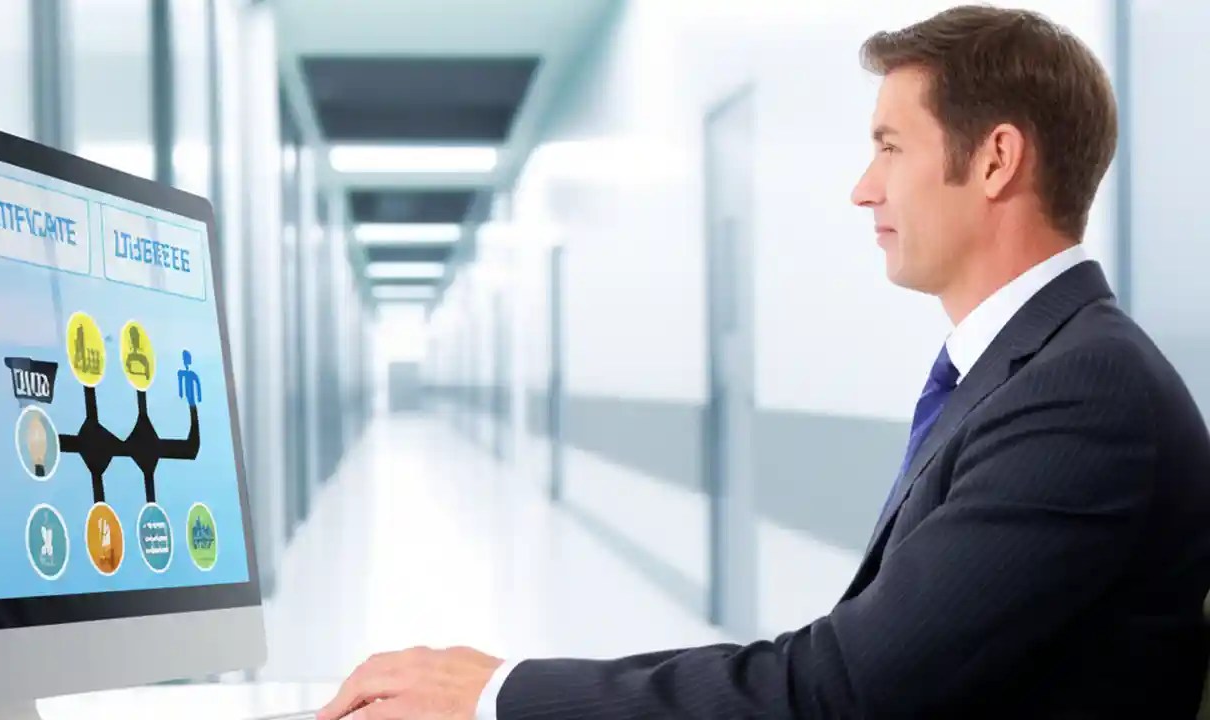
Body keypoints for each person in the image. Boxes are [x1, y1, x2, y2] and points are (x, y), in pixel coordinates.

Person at [318, 6, 1210, 719]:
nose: (864, 186)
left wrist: (497, 693)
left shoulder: (1084, 393)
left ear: (995, 159)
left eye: (890, 146)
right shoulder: (1033, 369)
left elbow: (841, 689)